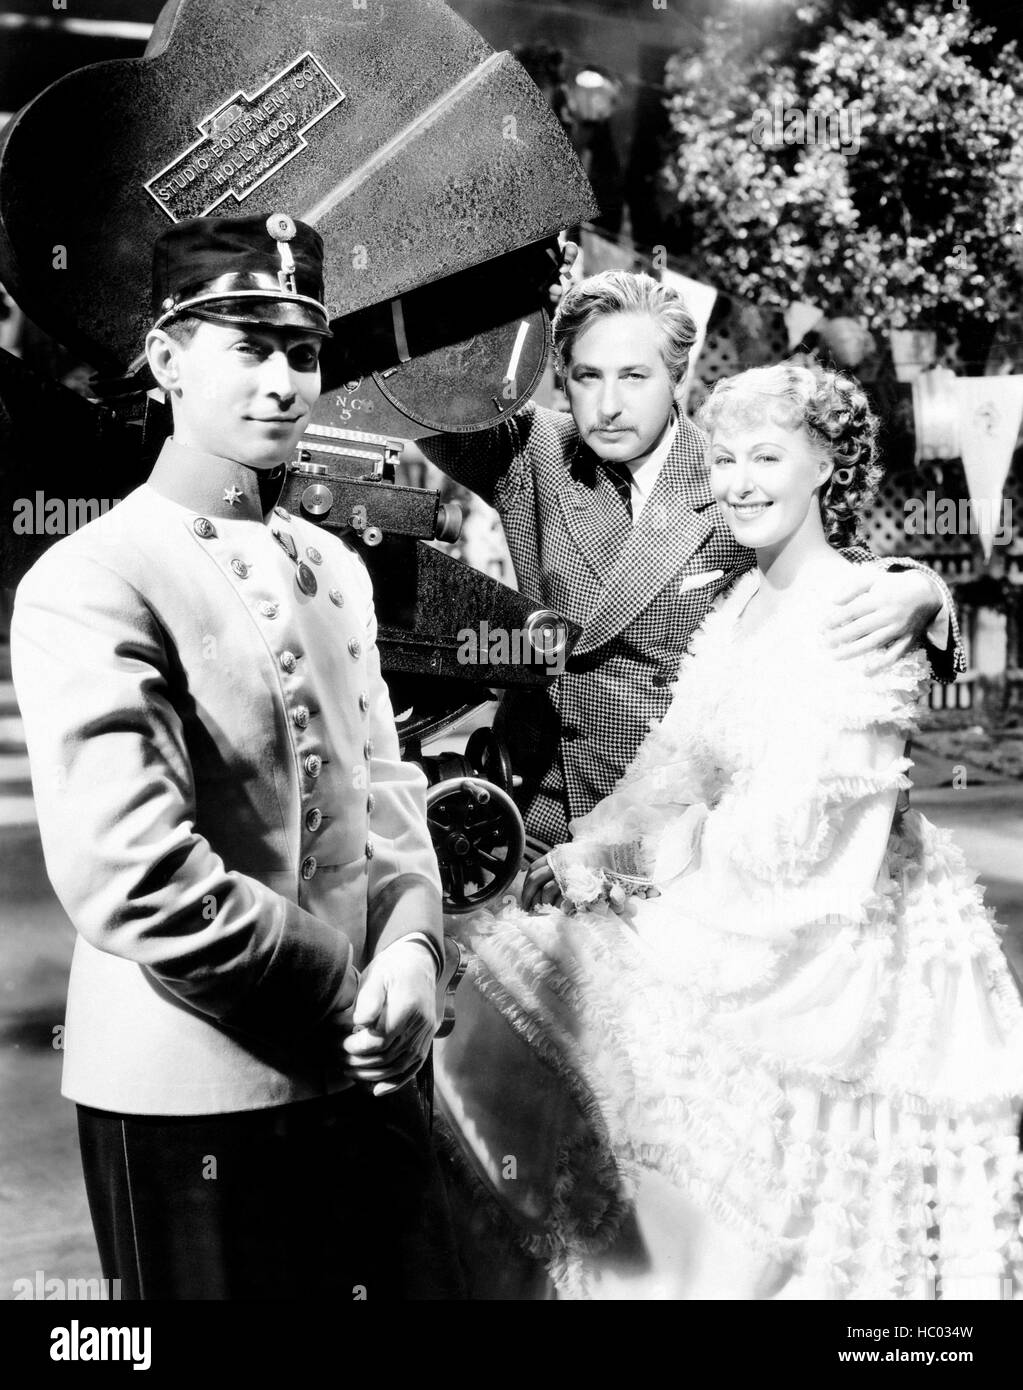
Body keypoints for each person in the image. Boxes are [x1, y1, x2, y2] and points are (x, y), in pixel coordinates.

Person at [455, 362, 1023, 1300]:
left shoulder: (864, 610)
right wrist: (590, 841)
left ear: (825, 469)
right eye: (722, 459)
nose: (739, 481)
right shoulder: (739, 601)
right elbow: (673, 759)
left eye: (767, 456)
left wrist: (635, 868)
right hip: (723, 874)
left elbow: (798, 843)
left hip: (816, 929)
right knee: (500, 973)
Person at [11, 213, 462, 1300]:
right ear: (166, 360)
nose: (283, 381)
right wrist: (349, 988)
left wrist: (414, 950)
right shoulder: (95, 577)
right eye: (246, 345)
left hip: (371, 1072)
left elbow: (387, 790)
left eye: (302, 351)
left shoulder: (331, 566)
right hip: (193, 1089)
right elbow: (137, 875)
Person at [421, 267, 963, 848]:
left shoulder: (732, 471)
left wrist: (926, 592)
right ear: (563, 375)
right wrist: (507, 303)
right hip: (535, 808)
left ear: (676, 377)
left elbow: (839, 561)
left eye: (634, 376)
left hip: (673, 827)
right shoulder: (532, 449)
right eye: (587, 376)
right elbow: (426, 398)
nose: (608, 405)